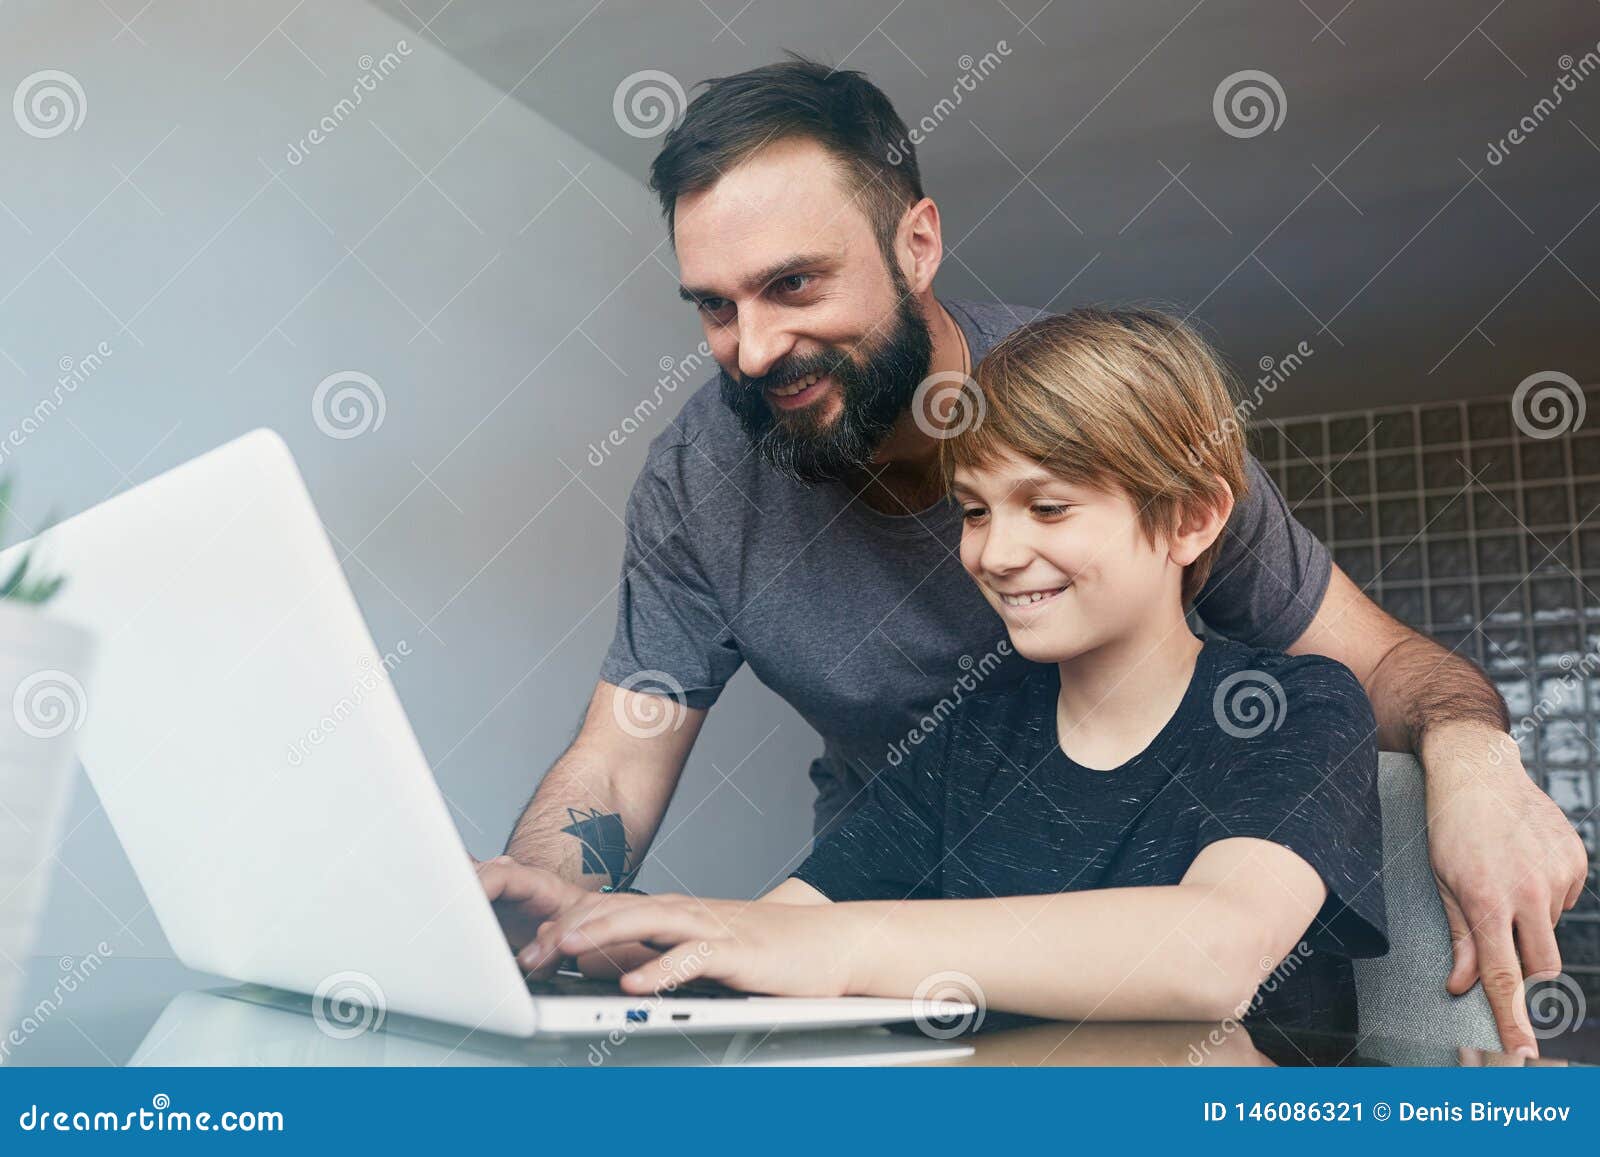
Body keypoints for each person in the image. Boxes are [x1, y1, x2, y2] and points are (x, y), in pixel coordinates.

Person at [500, 53, 1586, 1054]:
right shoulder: (936, 716)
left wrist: (1475, 761)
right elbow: (626, 758)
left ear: (915, 243)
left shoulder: (1123, 429)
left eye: (793, 285)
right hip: (933, 977)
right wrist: (571, 920)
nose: (752, 348)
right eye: (713, 307)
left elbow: (1221, 933)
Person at [481, 307, 1389, 1033]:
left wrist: (833, 947)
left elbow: (1213, 952)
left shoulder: (1293, 707)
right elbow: (777, 929)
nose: (996, 552)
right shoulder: (969, 734)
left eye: (1049, 505)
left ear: (1191, 518)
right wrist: (587, 931)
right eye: (976, 511)